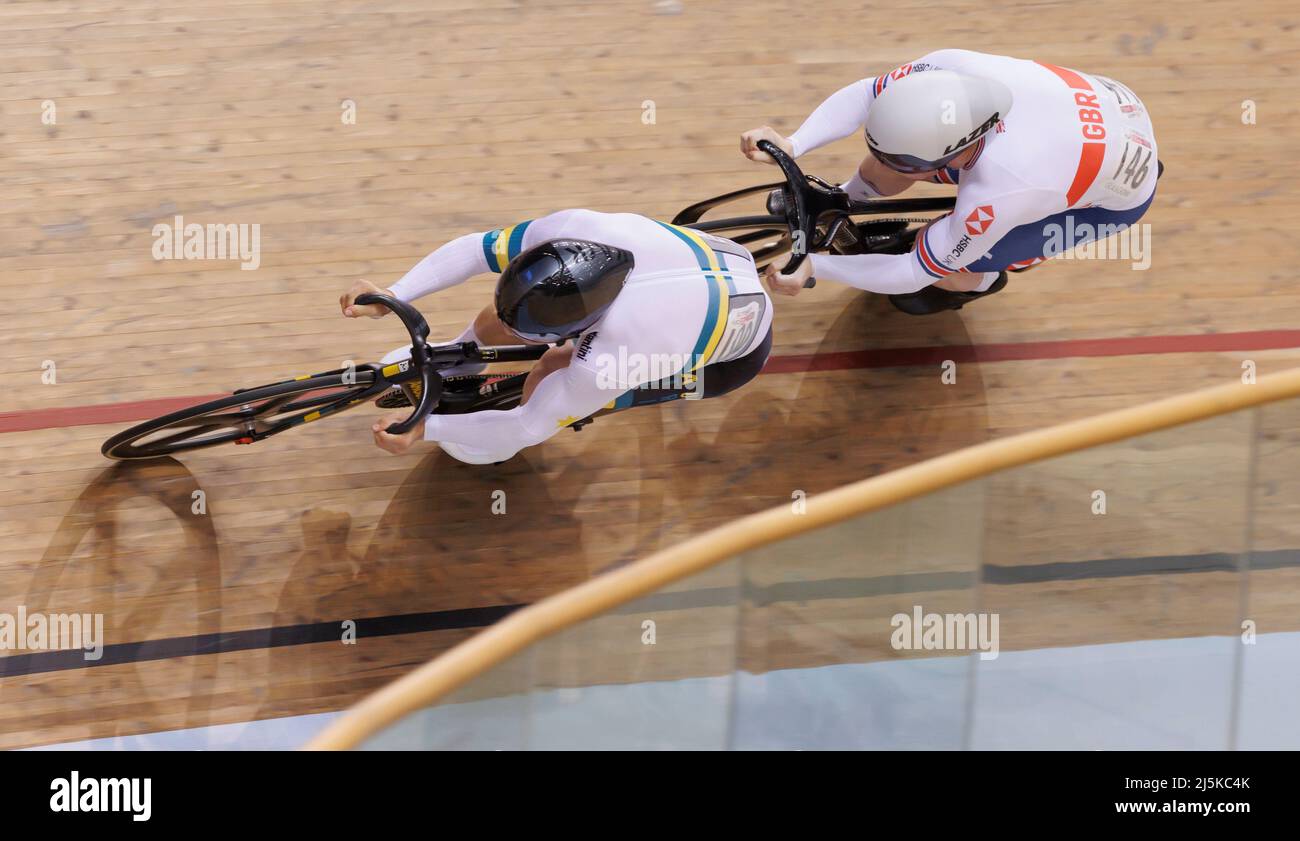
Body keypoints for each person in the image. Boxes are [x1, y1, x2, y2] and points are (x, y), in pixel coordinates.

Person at [740, 49, 1160, 313]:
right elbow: (868, 93)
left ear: (957, 152)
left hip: (1108, 196)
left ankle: (983, 281)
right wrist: (793, 142)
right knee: (882, 169)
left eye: (911, 164)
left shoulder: (1007, 188)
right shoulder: (952, 69)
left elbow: (914, 270)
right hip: (1100, 110)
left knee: (957, 262)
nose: (889, 166)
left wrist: (817, 267)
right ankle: (847, 201)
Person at [339, 209, 773, 464]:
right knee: (498, 317)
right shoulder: (577, 229)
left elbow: (525, 427)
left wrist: (426, 431)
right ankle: (464, 359)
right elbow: (476, 250)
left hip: (728, 357)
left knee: (552, 370)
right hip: (716, 261)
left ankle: (544, 410)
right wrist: (394, 292)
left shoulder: (616, 356)